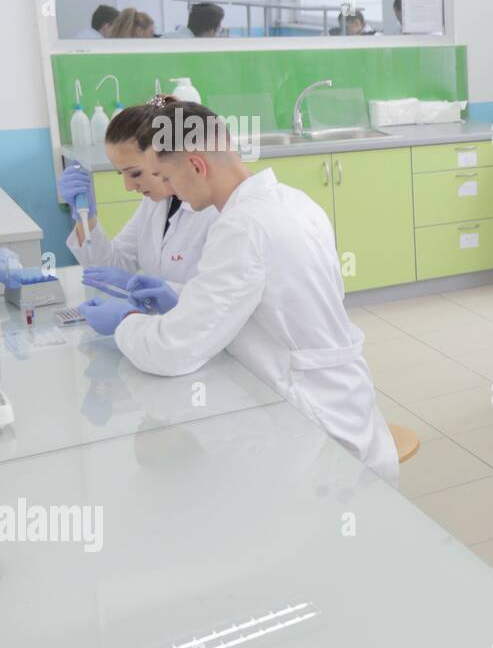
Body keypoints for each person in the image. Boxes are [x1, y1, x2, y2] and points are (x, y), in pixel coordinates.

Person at [75, 99, 398, 484]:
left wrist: (125, 321)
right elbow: (265, 301)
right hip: (345, 398)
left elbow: (175, 350)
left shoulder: (240, 228)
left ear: (196, 165)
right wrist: (182, 295)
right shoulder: (294, 201)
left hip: (315, 422)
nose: (169, 189)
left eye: (167, 177)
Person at [57, 98, 219, 291]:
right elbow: (111, 267)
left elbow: (217, 299)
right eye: (121, 173)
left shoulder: (215, 211)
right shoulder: (156, 203)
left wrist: (148, 290)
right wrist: (86, 218)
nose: (128, 186)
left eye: (135, 173)